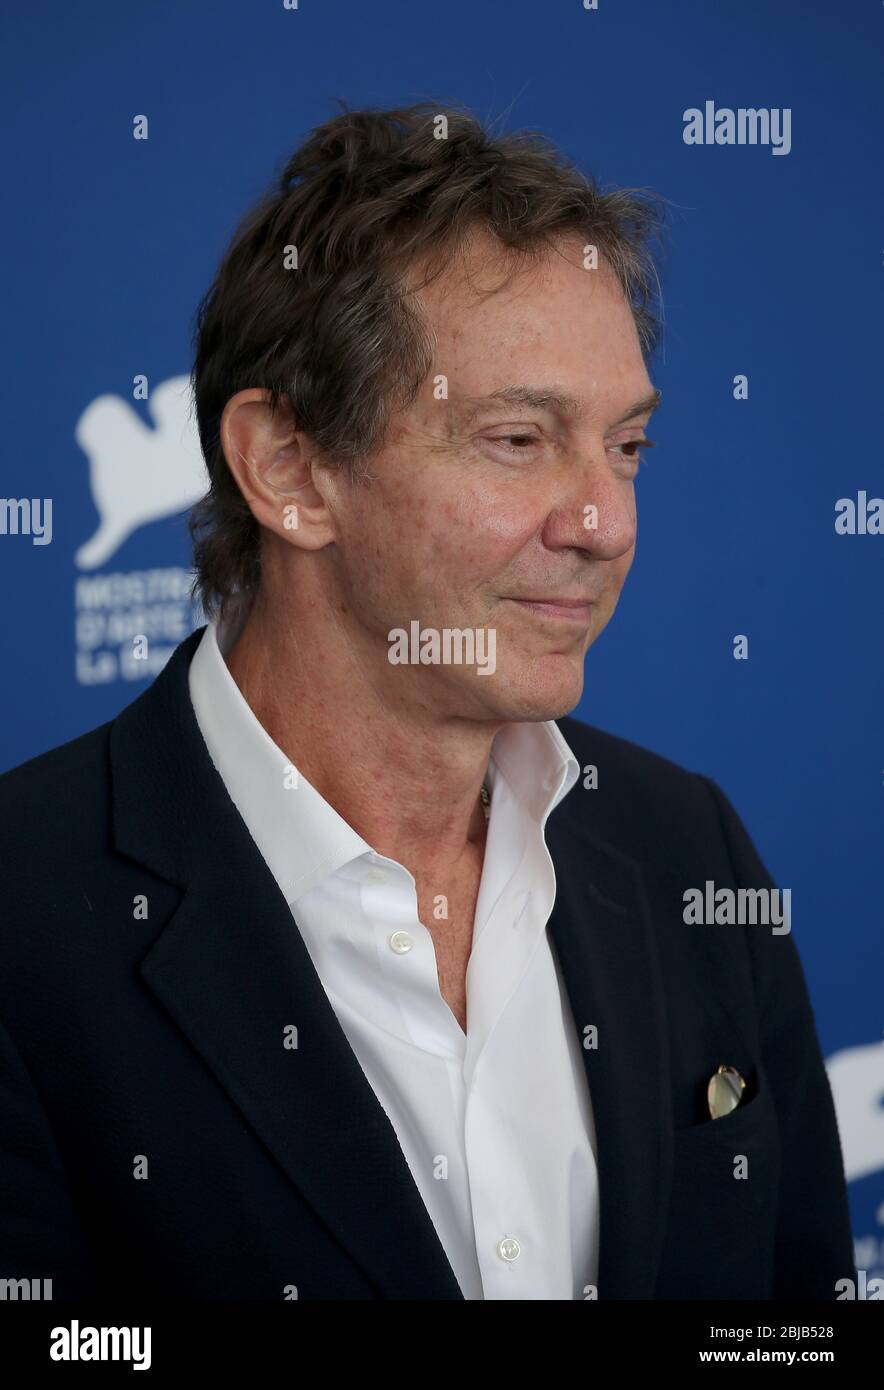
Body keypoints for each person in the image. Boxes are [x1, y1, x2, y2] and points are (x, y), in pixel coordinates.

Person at [0, 103, 854, 1300]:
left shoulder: (681, 845)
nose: (602, 524)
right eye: (516, 438)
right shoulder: (26, 924)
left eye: (625, 447)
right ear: (290, 471)